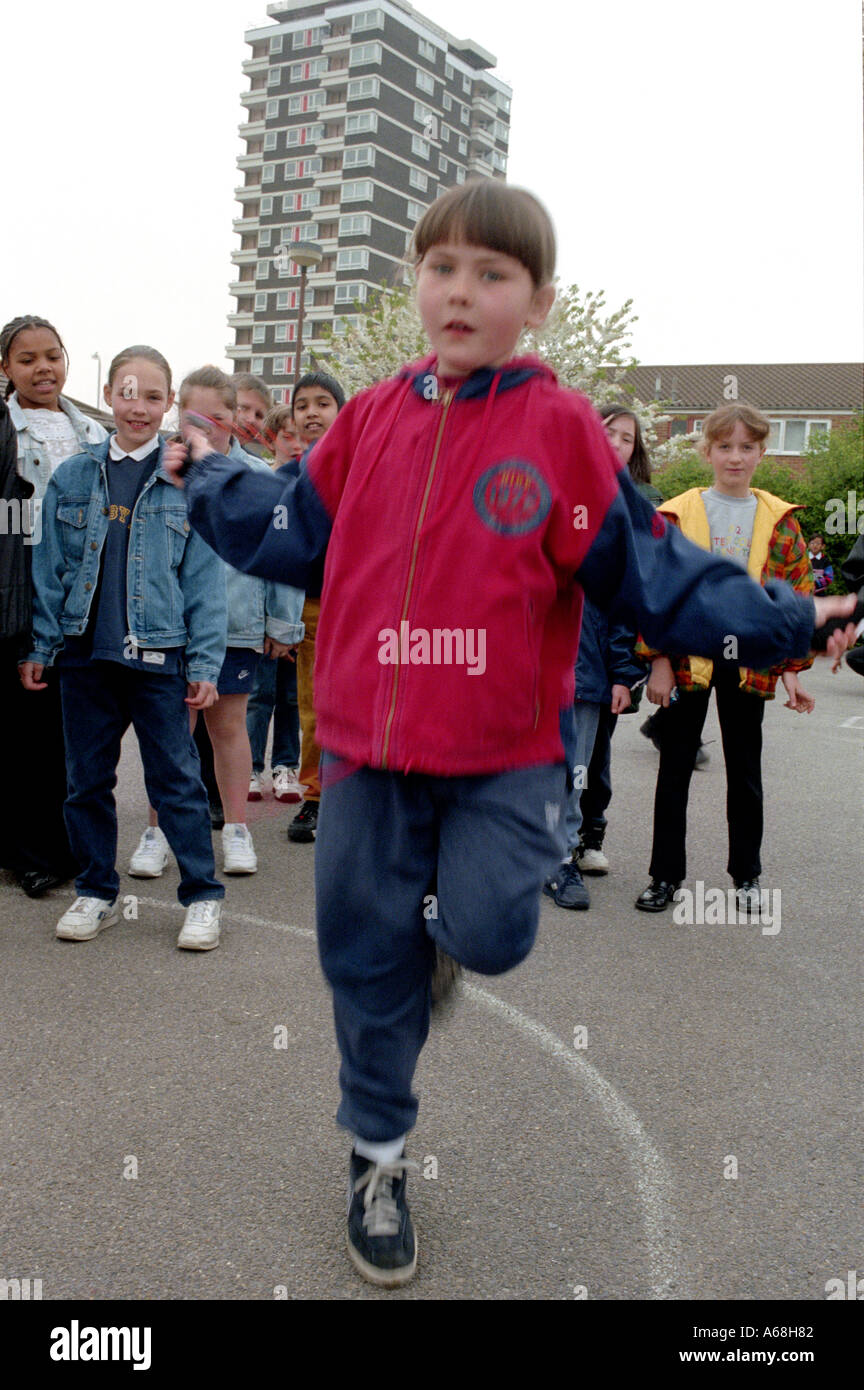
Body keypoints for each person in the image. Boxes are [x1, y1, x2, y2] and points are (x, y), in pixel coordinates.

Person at [164, 180, 856, 1287]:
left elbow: (654, 573)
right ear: (419, 283)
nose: (462, 291)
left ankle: (441, 935)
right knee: (363, 964)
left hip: (502, 754)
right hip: (367, 753)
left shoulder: (560, 430)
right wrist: (210, 480)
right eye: (444, 268)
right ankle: (377, 1157)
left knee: (490, 932)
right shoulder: (374, 418)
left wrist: (785, 618)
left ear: (534, 302)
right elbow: (293, 524)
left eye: (494, 275)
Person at [19, 345, 227, 949]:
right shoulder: (74, 475)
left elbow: (205, 581)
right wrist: (43, 644)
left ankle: (203, 897)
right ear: (109, 394)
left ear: (168, 406)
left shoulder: (188, 479)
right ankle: (95, 892)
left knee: (176, 783)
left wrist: (206, 663)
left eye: (154, 396)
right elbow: (50, 568)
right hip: (85, 658)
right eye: (128, 392)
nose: (139, 406)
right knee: (85, 782)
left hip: (160, 658)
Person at [634, 402, 818, 915]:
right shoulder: (675, 514)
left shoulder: (779, 520)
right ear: (707, 451)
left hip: (750, 659)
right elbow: (652, 592)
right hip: (689, 655)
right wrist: (657, 661)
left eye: (746, 447)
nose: (735, 458)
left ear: (761, 451)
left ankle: (747, 876)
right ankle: (664, 876)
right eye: (724, 447)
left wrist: (793, 673)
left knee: (746, 770)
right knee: (674, 769)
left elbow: (794, 599)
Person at [128, 366, 304, 877]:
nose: (206, 429)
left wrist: (282, 624)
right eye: (194, 418)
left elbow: (282, 553)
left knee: (228, 727)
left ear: (237, 420)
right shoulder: (156, 472)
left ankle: (236, 830)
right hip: (166, 626)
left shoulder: (259, 478)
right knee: (169, 733)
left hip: (236, 622)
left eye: (219, 417)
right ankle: (159, 832)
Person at [0, 314, 108, 898]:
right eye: (27, 359)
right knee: (27, 734)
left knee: (77, 733)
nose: (43, 368)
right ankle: (31, 853)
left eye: (52, 355)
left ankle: (73, 845)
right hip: (22, 595)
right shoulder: (4, 430)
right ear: (5, 369)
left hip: (80, 598)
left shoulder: (93, 433)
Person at [281, 372, 345, 843]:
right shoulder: (290, 476)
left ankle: (359, 796)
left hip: (363, 608)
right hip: (313, 607)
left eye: (323, 403)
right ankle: (315, 796)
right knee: (313, 705)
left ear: (341, 412)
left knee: (363, 702)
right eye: (303, 405)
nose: (312, 413)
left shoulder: (366, 467)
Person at [233, 373, 273, 460]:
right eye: (243, 408)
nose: (251, 419)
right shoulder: (197, 457)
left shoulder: (257, 469)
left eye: (259, 415)